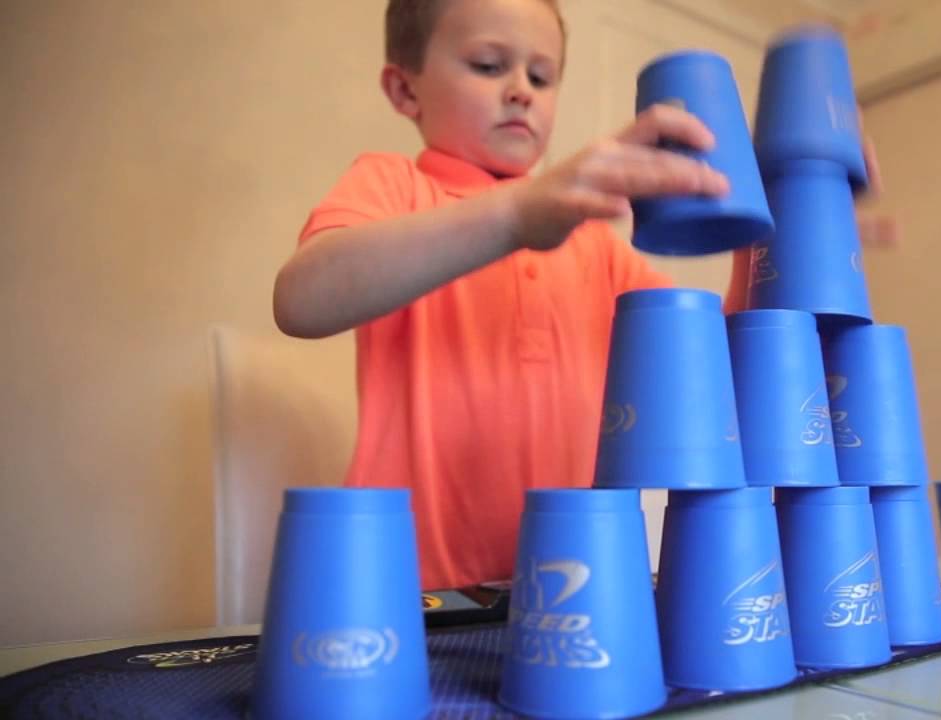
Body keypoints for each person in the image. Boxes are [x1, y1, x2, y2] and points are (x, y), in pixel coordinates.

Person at [273, 0, 891, 590]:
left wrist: (789, 214)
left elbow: (715, 368)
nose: (520, 88)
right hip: (406, 592)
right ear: (406, 89)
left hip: (575, 593)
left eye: (541, 76)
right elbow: (302, 299)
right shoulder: (394, 186)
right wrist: (514, 215)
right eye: (488, 66)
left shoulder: (593, 245)